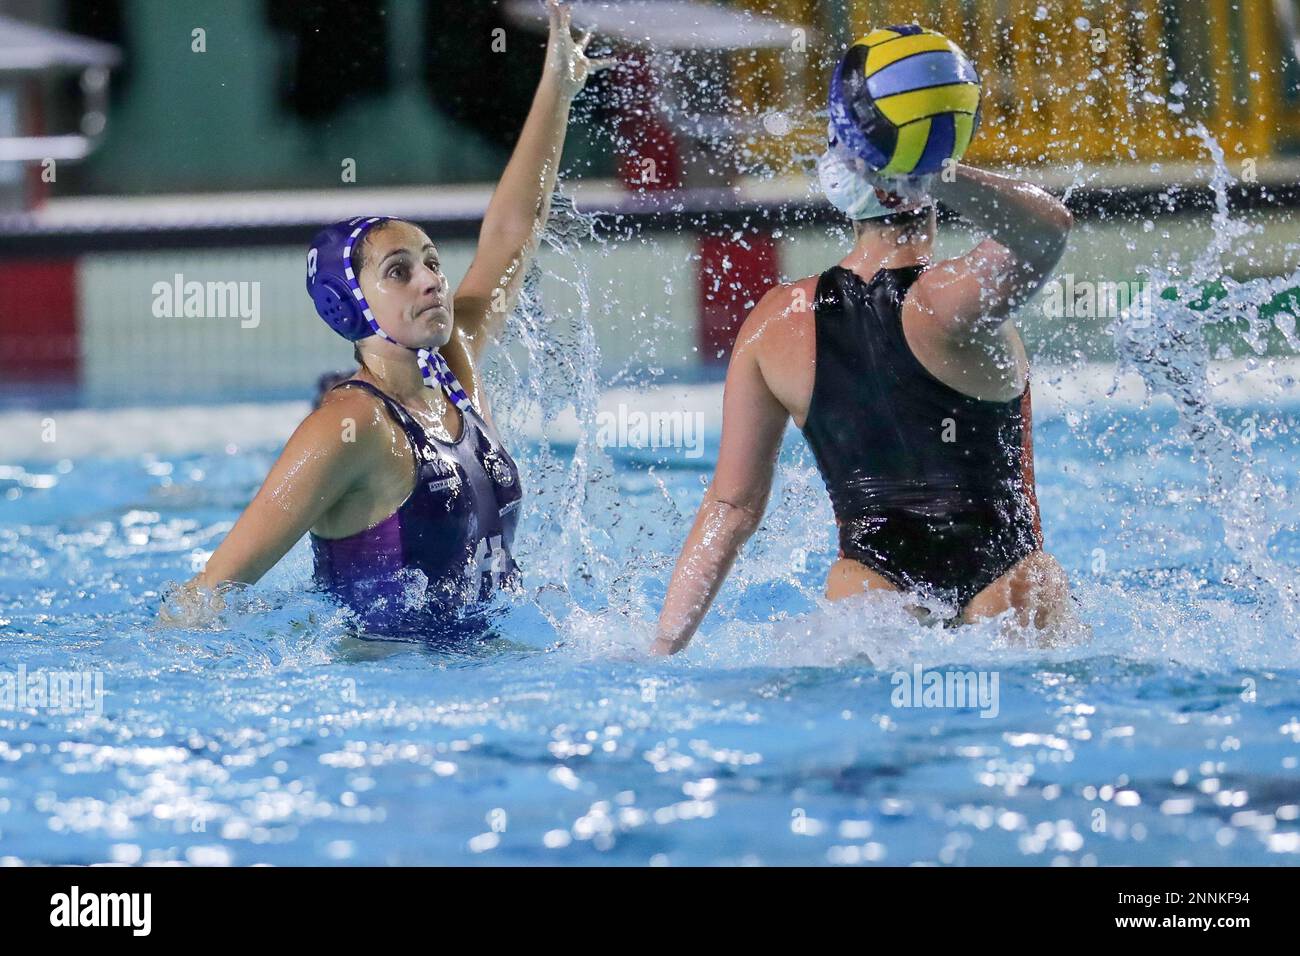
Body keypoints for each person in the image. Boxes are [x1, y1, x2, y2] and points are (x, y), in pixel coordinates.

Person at [160, 1, 611, 639]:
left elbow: (513, 232)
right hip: (385, 691)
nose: (431, 279)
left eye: (431, 261)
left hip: (482, 669)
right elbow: (213, 590)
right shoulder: (347, 427)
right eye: (399, 271)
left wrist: (556, 89)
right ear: (353, 304)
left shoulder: (454, 375)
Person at [650, 118, 1075, 656]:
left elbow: (730, 509)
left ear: (840, 188)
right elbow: (1047, 229)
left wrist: (661, 649)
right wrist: (935, 170)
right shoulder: (953, 301)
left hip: (870, 592)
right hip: (1009, 588)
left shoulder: (773, 324)